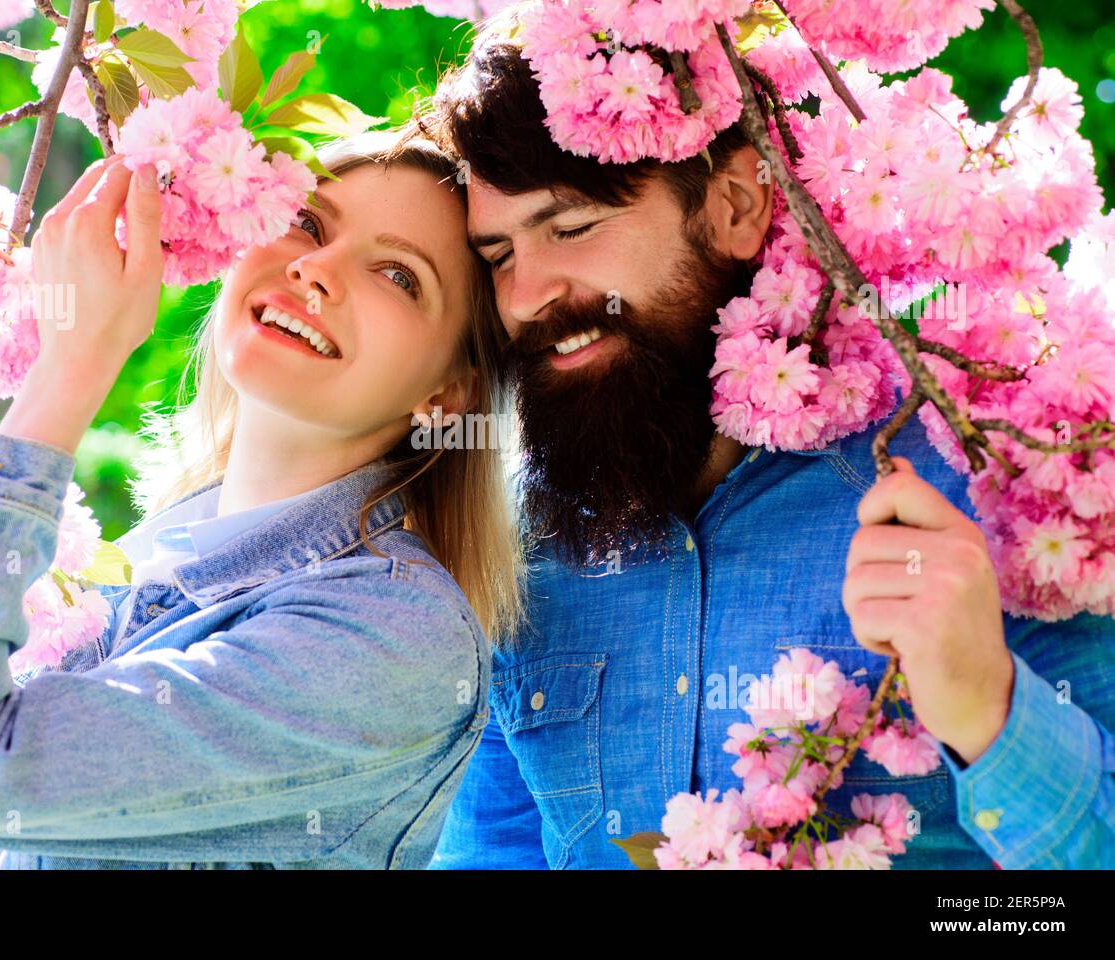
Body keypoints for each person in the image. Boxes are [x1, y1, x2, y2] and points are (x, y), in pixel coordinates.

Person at [423, 24, 1115, 869]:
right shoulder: (516, 543)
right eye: (498, 254)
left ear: (736, 206)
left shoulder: (991, 484)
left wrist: (986, 707)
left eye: (570, 229)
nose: (527, 297)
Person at [0, 129, 523, 870]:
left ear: (448, 395)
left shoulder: (393, 638)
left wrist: (72, 367)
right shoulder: (122, 587)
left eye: (398, 275)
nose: (316, 267)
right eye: (307, 223)